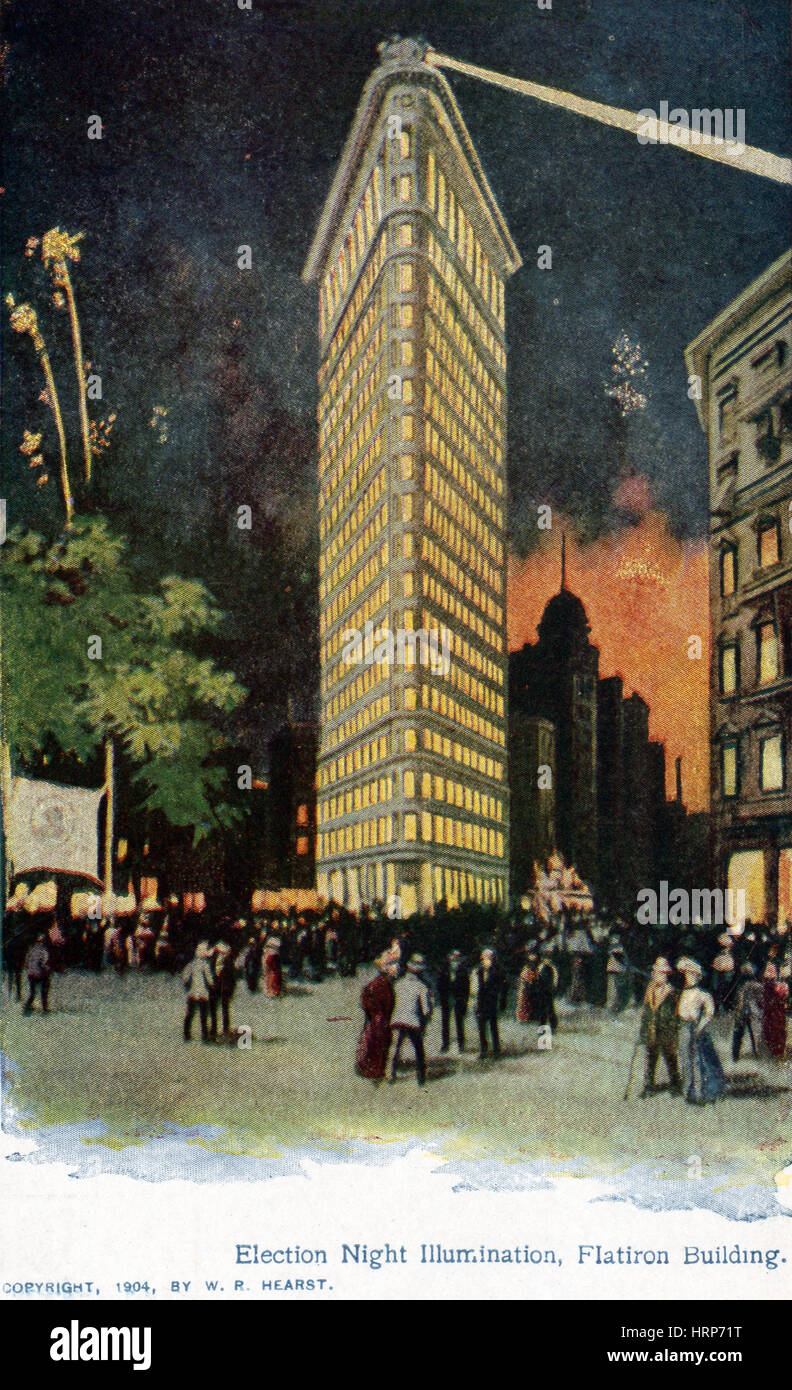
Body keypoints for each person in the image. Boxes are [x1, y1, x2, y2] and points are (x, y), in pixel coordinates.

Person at [676, 957, 725, 1104]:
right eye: (687, 975)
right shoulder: (683, 992)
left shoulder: (703, 994)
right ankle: (687, 1092)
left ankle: (698, 1092)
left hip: (695, 1027)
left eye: (693, 975)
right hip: (683, 1027)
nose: (690, 978)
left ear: (698, 977)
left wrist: (700, 1026)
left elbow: (709, 1013)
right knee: (685, 1059)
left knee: (697, 1061)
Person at [639, 957, 681, 1096]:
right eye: (658, 973)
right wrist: (643, 1032)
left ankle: (676, 1085)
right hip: (652, 1030)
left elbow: (675, 1014)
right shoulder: (649, 990)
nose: (660, 976)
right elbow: (646, 1012)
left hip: (666, 1031)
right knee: (651, 1059)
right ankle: (649, 1086)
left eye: (663, 974)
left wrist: (672, 1029)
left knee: (670, 1058)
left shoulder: (671, 991)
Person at [389, 954, 433, 1086]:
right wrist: (425, 1022)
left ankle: (391, 1074)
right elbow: (426, 1009)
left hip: (397, 1019)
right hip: (413, 1021)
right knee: (419, 1049)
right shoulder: (422, 986)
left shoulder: (398, 984)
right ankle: (421, 1077)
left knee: (395, 1047)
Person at [355, 953, 397, 1081]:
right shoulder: (382, 984)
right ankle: (375, 1071)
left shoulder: (379, 983)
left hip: (376, 1018)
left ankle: (372, 1069)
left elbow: (365, 999)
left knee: (373, 1043)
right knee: (378, 1045)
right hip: (380, 1020)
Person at [436, 950, 470, 1053]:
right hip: (446, 998)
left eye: (457, 958)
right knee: (445, 1022)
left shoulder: (463, 971)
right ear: (449, 958)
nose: (455, 959)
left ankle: (461, 1045)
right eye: (453, 957)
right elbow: (439, 984)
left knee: (459, 1022)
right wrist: (441, 997)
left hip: (458, 998)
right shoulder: (444, 969)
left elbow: (466, 987)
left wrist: (465, 1000)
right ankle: (445, 1045)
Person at [473, 947, 505, 1058]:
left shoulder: (497, 970)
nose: (487, 959)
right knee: (481, 1027)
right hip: (480, 1002)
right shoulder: (478, 970)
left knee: (493, 1026)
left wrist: (500, 1000)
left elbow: (502, 985)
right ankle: (483, 1050)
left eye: (490, 957)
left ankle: (496, 1050)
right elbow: (474, 987)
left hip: (492, 1001)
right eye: (485, 957)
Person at [182, 939, 215, 1042]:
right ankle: (204, 1035)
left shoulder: (192, 964)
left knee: (190, 1013)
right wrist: (212, 985)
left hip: (192, 992)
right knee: (203, 1015)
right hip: (202, 992)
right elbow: (209, 978)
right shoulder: (205, 965)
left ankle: (187, 1033)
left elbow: (185, 975)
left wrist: (187, 982)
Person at [731, 963, 764, 1061]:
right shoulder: (743, 986)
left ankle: (755, 1056)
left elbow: (761, 999)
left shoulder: (754, 986)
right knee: (741, 1034)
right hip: (744, 1013)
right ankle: (735, 1057)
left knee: (753, 1035)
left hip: (749, 1013)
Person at [211, 929, 238, 1041]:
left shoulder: (215, 955)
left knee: (215, 1007)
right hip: (222, 983)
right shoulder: (229, 958)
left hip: (218, 982)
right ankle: (223, 1030)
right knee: (223, 1007)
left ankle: (215, 1030)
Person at [762, 963, 789, 1060]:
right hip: (775, 1011)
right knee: (776, 1031)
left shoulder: (774, 985)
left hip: (774, 1011)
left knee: (775, 1031)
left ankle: (777, 1052)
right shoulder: (777, 985)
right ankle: (777, 1052)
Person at [23, 927, 52, 1014]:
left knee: (32, 992)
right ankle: (45, 1007)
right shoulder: (44, 951)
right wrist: (48, 969)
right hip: (39, 973)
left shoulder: (32, 949)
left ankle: (27, 1005)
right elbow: (43, 964)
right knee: (45, 988)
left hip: (30, 974)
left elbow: (27, 962)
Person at [605, 936, 630, 1012]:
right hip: (615, 970)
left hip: (618, 970)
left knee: (617, 990)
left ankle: (616, 1007)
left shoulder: (619, 946)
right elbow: (618, 956)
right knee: (613, 990)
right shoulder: (616, 946)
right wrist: (626, 965)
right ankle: (612, 1007)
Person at [515, 951, 538, 1025]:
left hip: (530, 987)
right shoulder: (526, 968)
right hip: (525, 987)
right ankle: (523, 1018)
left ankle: (529, 1017)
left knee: (528, 1003)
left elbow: (534, 978)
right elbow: (522, 978)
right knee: (523, 1003)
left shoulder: (534, 968)